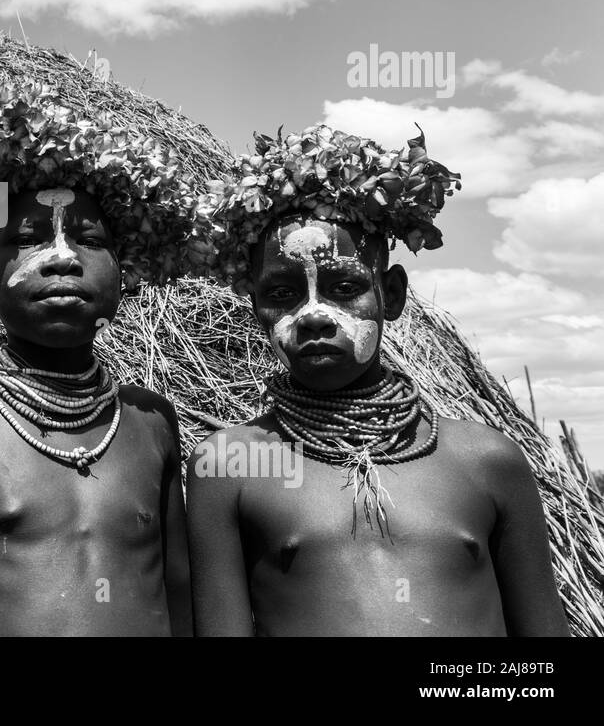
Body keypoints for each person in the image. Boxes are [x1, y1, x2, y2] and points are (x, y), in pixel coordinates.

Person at [187, 125, 567, 636]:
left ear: (390, 293)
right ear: (255, 309)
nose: (314, 315)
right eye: (283, 293)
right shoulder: (230, 466)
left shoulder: (486, 459)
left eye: (345, 287)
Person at [0, 84, 196, 636]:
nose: (61, 258)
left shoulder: (151, 421)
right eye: (28, 240)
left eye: (88, 239)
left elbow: (178, 590)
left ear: (123, 269)